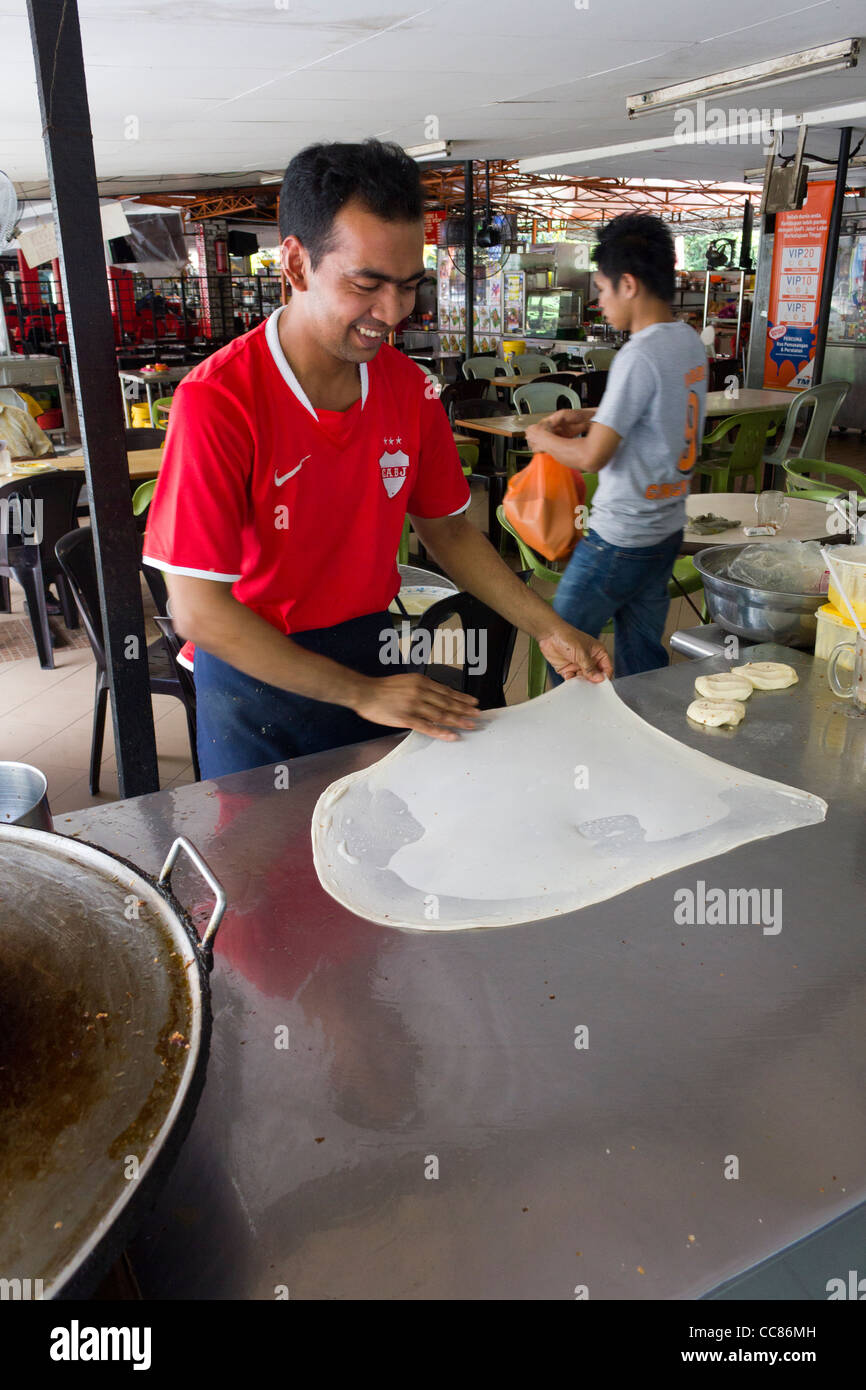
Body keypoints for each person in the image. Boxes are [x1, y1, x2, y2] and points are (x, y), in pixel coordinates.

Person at [144, 140, 611, 778]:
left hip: (372, 644)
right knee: (266, 863)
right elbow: (198, 610)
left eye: (410, 286)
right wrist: (361, 693)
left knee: (380, 843)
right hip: (255, 673)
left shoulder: (407, 388)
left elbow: (446, 527)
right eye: (366, 285)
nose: (391, 314)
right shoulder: (221, 401)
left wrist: (546, 626)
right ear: (297, 264)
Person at [525, 212, 707, 679]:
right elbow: (658, 410)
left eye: (602, 289)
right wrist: (590, 415)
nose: (599, 302)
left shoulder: (638, 353)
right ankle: (638, 738)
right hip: (665, 531)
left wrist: (540, 438)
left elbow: (591, 456)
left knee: (562, 646)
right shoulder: (686, 342)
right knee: (641, 657)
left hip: (620, 539)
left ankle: (576, 743)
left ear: (628, 284)